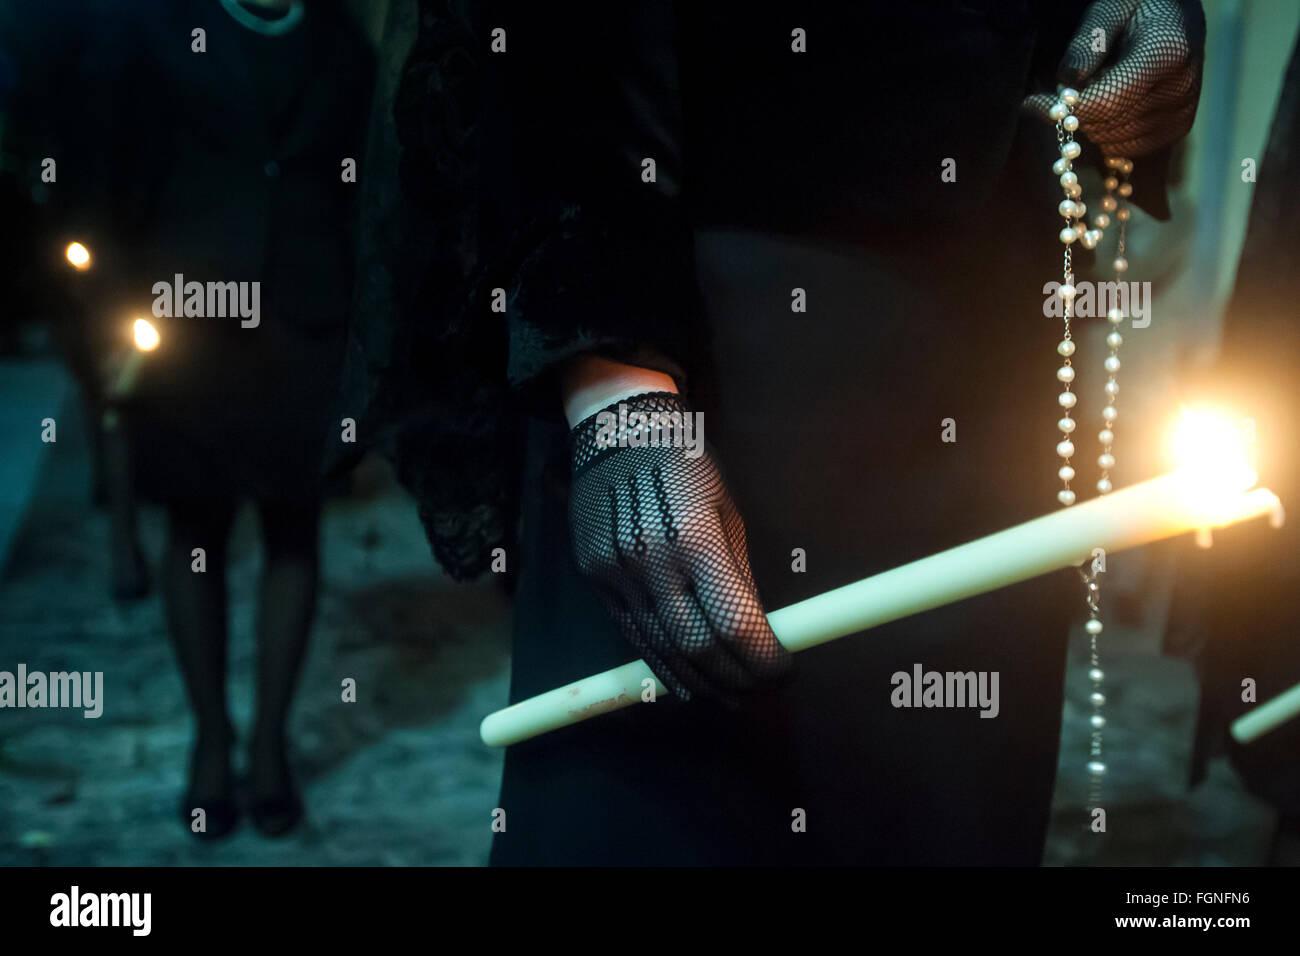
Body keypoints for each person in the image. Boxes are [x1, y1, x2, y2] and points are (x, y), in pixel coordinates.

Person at [80, 0, 373, 838]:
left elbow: (364, 185)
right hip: (188, 321)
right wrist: (109, 313)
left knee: (295, 531)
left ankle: (270, 743)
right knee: (195, 530)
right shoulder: (159, 29)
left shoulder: (340, 43)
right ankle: (211, 736)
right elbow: (114, 180)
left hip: (308, 320)